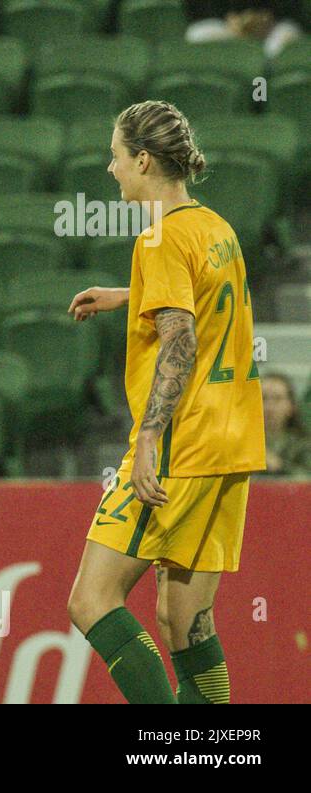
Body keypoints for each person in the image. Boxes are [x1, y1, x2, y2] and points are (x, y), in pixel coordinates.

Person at [66, 100, 265, 704]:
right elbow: (200, 298)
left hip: (184, 441)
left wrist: (149, 438)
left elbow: (181, 338)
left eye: (117, 155)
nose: (110, 168)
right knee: (184, 621)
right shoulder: (212, 226)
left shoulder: (158, 237)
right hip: (233, 440)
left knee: (91, 600)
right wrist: (131, 295)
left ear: (144, 160)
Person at [259, 372, 311, 476]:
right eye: (263, 398)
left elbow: (306, 478)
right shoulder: (240, 443)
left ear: (291, 406)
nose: (269, 407)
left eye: (277, 399)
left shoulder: (303, 444)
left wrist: (279, 467)